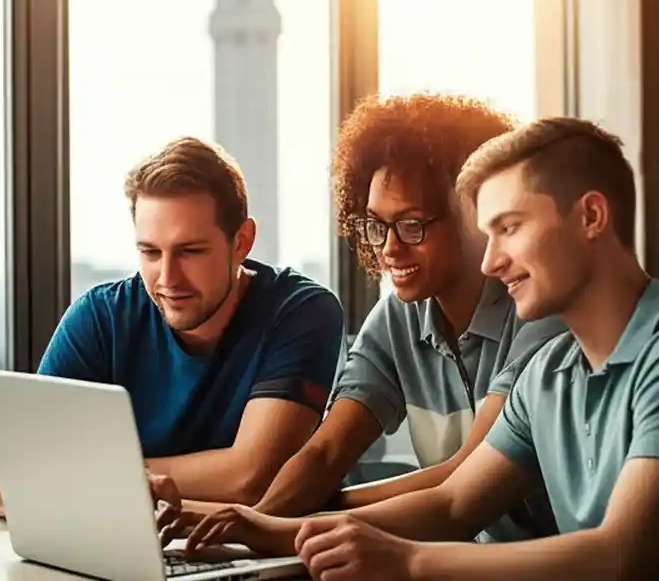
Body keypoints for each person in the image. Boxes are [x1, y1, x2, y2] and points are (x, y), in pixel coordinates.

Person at [181, 118, 659, 580]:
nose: (490, 260)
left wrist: (408, 562)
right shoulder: (550, 374)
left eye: (509, 228)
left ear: (591, 217)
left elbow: (622, 556)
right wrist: (268, 529)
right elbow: (453, 504)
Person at [157, 94, 564, 543]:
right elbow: (326, 453)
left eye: (413, 225)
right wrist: (255, 525)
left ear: (476, 212)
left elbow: (461, 480)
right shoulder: (398, 317)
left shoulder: (538, 310)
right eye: (376, 225)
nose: (389, 248)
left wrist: (286, 522)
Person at [0, 137, 344, 518]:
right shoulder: (100, 319)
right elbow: (7, 480)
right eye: (150, 252)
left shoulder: (301, 312)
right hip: (129, 543)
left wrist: (80, 478)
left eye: (190, 251)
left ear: (242, 242)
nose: (167, 278)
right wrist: (34, 477)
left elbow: (253, 478)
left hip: (272, 556)